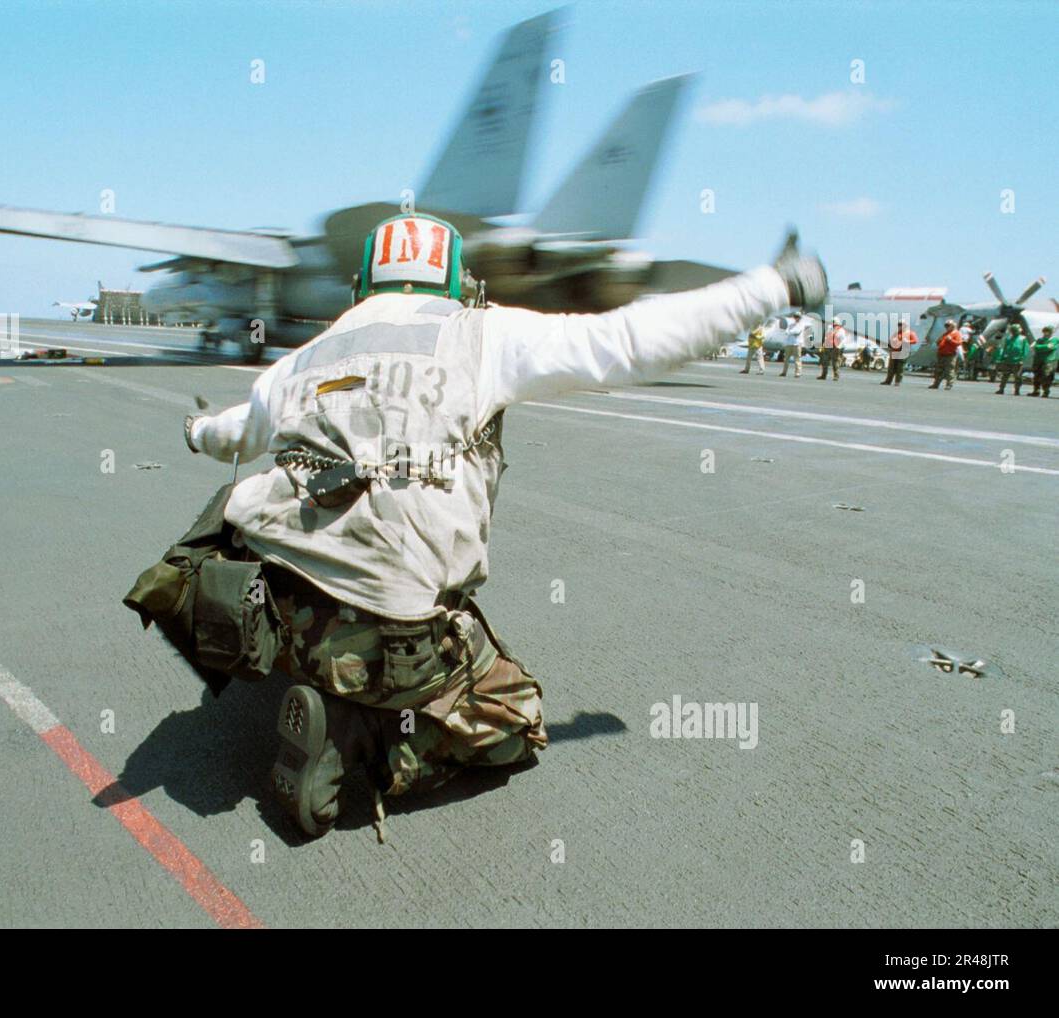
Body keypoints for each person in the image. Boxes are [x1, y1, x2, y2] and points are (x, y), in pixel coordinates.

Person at [181, 215, 827, 838]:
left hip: (272, 611)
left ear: (363, 285)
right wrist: (777, 284)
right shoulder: (480, 334)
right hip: (389, 626)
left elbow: (231, 432)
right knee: (513, 723)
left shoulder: (308, 357)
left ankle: (320, 680)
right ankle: (358, 737)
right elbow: (631, 340)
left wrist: (196, 428)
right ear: (458, 282)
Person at [993, 323, 1030, 395]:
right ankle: (1001, 389)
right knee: (1005, 375)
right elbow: (1005, 349)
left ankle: (1017, 390)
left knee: (1017, 376)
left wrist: (1022, 360)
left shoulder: (1023, 339)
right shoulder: (1008, 338)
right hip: (1008, 360)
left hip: (1017, 361)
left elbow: (1025, 350)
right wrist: (1002, 358)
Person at [929, 319, 963, 390]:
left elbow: (959, 343)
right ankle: (936, 384)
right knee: (939, 370)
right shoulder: (945, 333)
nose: (946, 327)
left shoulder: (956, 333)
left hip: (950, 355)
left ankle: (949, 384)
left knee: (949, 370)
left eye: (948, 325)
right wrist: (939, 341)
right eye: (946, 325)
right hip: (941, 354)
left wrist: (951, 340)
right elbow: (938, 342)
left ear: (952, 326)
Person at [881, 321, 917, 385]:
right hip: (895, 351)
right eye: (899, 325)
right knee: (891, 367)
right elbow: (890, 340)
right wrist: (892, 341)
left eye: (901, 325)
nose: (899, 326)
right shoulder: (896, 333)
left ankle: (897, 382)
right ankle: (888, 381)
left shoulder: (910, 333)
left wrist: (907, 341)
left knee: (900, 367)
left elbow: (915, 340)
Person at [1027, 325, 1056, 397]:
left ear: (1051, 332)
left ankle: (1046, 391)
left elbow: (1050, 347)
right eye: (1045, 331)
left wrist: (1038, 347)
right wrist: (1042, 347)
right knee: (1036, 376)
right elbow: (1032, 347)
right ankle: (1036, 390)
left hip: (1048, 361)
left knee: (1047, 376)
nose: (1046, 333)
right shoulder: (1039, 339)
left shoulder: (1054, 339)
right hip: (1038, 360)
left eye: (1048, 331)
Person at [781, 311, 806, 378]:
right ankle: (784, 372)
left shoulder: (802, 324)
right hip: (789, 343)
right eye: (795, 316)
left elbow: (797, 332)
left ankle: (798, 373)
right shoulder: (791, 324)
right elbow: (786, 331)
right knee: (786, 358)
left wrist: (789, 332)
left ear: (800, 317)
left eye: (797, 317)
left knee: (797, 359)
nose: (796, 318)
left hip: (797, 343)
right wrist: (790, 332)